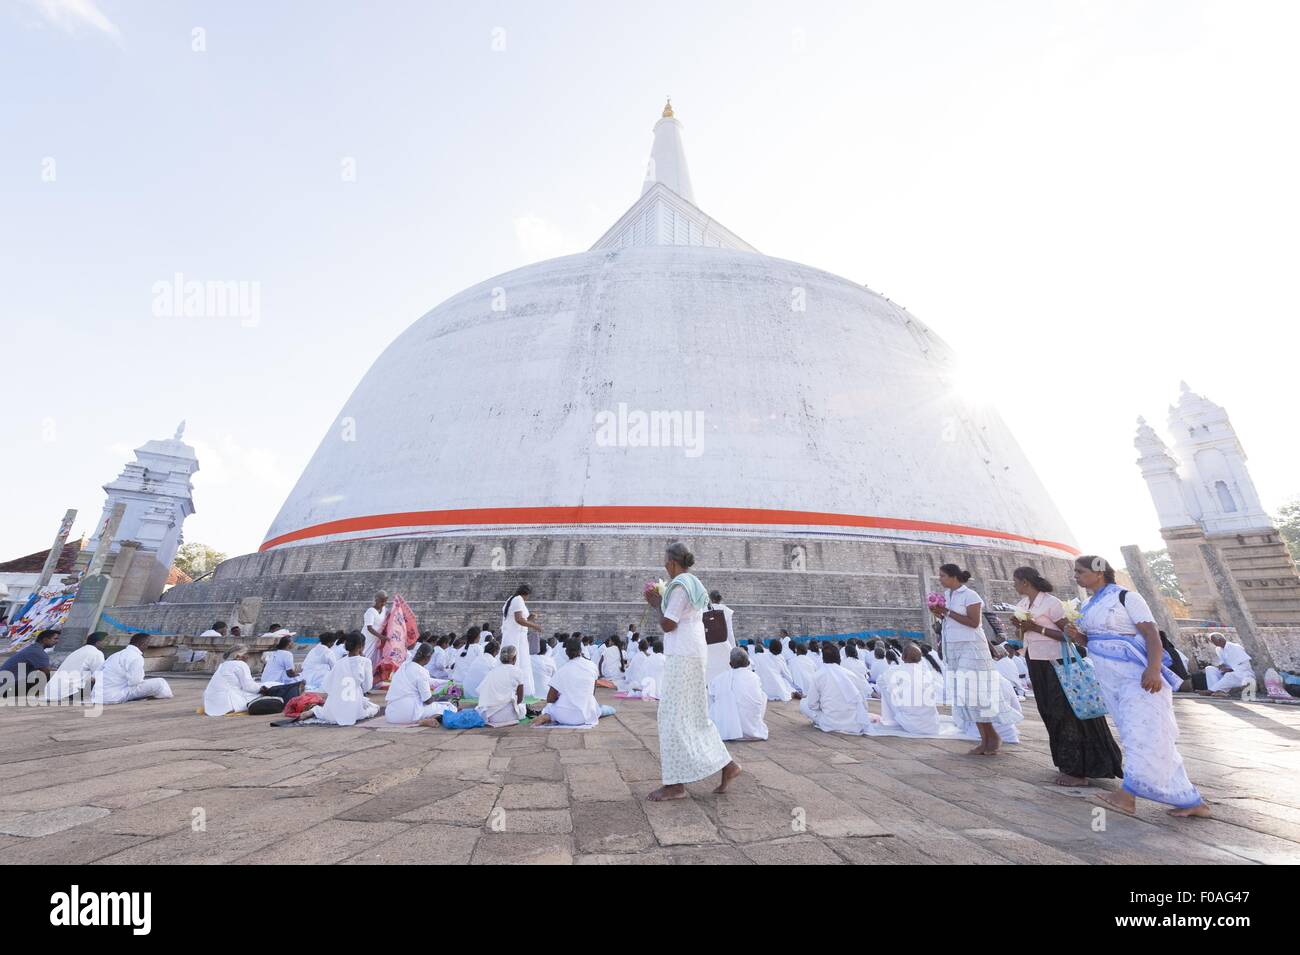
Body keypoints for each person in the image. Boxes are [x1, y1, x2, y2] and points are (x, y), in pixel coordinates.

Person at [1068, 555, 1209, 818]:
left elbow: (1151, 634)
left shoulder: (1127, 598)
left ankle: (1127, 796)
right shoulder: (1088, 604)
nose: (1076, 575)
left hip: (1137, 676)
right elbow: (1097, 640)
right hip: (1109, 678)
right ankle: (1189, 799)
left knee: (1141, 732)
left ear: (1098, 573)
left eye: (1080, 571)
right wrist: (1079, 637)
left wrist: (1153, 668)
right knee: (1143, 734)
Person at [642, 541, 741, 800]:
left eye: (666, 562)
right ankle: (727, 765)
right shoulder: (694, 583)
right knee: (692, 716)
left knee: (671, 717)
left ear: (673, 562)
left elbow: (668, 624)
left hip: (683, 656)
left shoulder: (680, 587)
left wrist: (655, 603)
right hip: (693, 654)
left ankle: (676, 785)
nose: (665, 566)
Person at [1009, 565, 1121, 786]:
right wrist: (1021, 626)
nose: (1014, 585)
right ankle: (1065, 762)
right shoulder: (1023, 604)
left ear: (1025, 582)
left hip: (1057, 662)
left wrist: (1036, 627)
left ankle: (1078, 769)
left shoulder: (1051, 603)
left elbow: (1068, 635)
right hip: (1036, 660)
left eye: (1015, 581)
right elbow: (1024, 634)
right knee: (1049, 712)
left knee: (1066, 714)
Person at [930, 563, 1001, 756]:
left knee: (976, 691)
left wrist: (947, 612)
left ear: (954, 577)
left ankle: (991, 737)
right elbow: (949, 620)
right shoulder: (947, 595)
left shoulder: (970, 595)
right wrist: (940, 614)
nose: (940, 579)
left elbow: (973, 622)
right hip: (954, 647)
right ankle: (984, 738)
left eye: (943, 576)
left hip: (972, 647)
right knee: (966, 693)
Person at [302, 632, 379, 725]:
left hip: (334, 707)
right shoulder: (365, 662)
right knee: (373, 708)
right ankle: (319, 711)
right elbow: (367, 687)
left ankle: (316, 711)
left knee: (330, 708)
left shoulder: (339, 663)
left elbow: (327, 685)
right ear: (361, 646)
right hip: (353, 708)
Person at [799, 643, 871, 735]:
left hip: (830, 722)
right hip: (854, 723)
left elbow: (812, 704)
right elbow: (863, 702)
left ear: (823, 659)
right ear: (839, 658)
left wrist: (824, 706)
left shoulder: (818, 675)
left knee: (803, 703)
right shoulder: (851, 674)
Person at [535, 637, 608, 726]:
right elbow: (592, 693)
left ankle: (548, 716)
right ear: (581, 650)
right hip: (586, 716)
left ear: (566, 652)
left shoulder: (562, 670)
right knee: (592, 703)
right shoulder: (592, 666)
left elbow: (550, 699)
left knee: (549, 707)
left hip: (563, 716)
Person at [876, 643, 942, 736]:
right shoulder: (926, 673)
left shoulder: (895, 670)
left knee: (884, 686)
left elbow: (879, 681)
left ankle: (890, 720)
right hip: (933, 724)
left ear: (903, 657)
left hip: (911, 723)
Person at [93, 634, 174, 704]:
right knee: (160, 682)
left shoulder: (115, 655)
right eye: (147, 643)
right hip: (113, 697)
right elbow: (135, 682)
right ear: (142, 644)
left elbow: (95, 675)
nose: (148, 646)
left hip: (96, 696)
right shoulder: (136, 657)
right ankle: (164, 699)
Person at [707, 648, 768, 741]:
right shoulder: (755, 677)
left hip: (728, 729)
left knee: (711, 696)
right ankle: (751, 725)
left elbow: (710, 690)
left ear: (730, 664)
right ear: (748, 663)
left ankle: (724, 725)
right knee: (763, 695)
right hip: (753, 731)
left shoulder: (721, 678)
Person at [385, 644, 454, 724]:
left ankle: (425, 719)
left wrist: (448, 682)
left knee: (439, 704)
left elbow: (428, 681)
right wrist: (439, 697)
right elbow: (427, 701)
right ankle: (423, 721)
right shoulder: (420, 671)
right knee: (449, 707)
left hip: (391, 715)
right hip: (409, 715)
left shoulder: (405, 665)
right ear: (428, 658)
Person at [203, 645, 274, 716]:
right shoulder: (240, 664)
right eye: (246, 654)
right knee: (266, 690)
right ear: (238, 656)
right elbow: (249, 687)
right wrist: (262, 689)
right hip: (227, 704)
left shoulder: (223, 664)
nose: (248, 656)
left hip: (211, 703)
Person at [501, 584, 543, 697]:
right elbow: (519, 620)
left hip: (515, 635)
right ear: (526, 594)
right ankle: (515, 691)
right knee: (516, 662)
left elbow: (520, 621)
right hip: (516, 638)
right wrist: (535, 626)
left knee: (517, 662)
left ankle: (515, 691)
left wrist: (530, 619)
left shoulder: (511, 599)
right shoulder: (518, 599)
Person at [44, 631, 107, 702]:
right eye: (106, 641)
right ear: (98, 642)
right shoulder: (96, 653)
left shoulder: (77, 651)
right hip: (69, 692)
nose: (107, 643)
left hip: (51, 691)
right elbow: (100, 676)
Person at [475, 645, 526, 727]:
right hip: (508, 716)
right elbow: (520, 699)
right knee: (523, 708)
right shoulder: (518, 671)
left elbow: (482, 692)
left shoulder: (493, 671)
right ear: (514, 658)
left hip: (489, 716)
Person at [1, 629, 59, 696]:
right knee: (51, 675)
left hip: (5, 685)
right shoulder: (38, 652)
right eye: (55, 639)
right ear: (45, 639)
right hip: (7, 688)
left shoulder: (32, 648)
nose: (57, 641)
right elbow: (47, 671)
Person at [704, 589, 737, 683]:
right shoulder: (726, 610)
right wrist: (733, 647)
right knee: (724, 671)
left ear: (710, 598)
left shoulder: (704, 610)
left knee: (710, 671)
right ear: (720, 599)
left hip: (709, 644)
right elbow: (730, 632)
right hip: (723, 643)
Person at [362, 591, 389, 671]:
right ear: (376, 600)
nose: (383, 603)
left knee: (373, 661)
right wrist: (381, 637)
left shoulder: (384, 610)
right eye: (382, 601)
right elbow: (369, 628)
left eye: (385, 601)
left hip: (376, 641)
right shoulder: (370, 611)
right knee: (364, 658)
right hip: (367, 639)